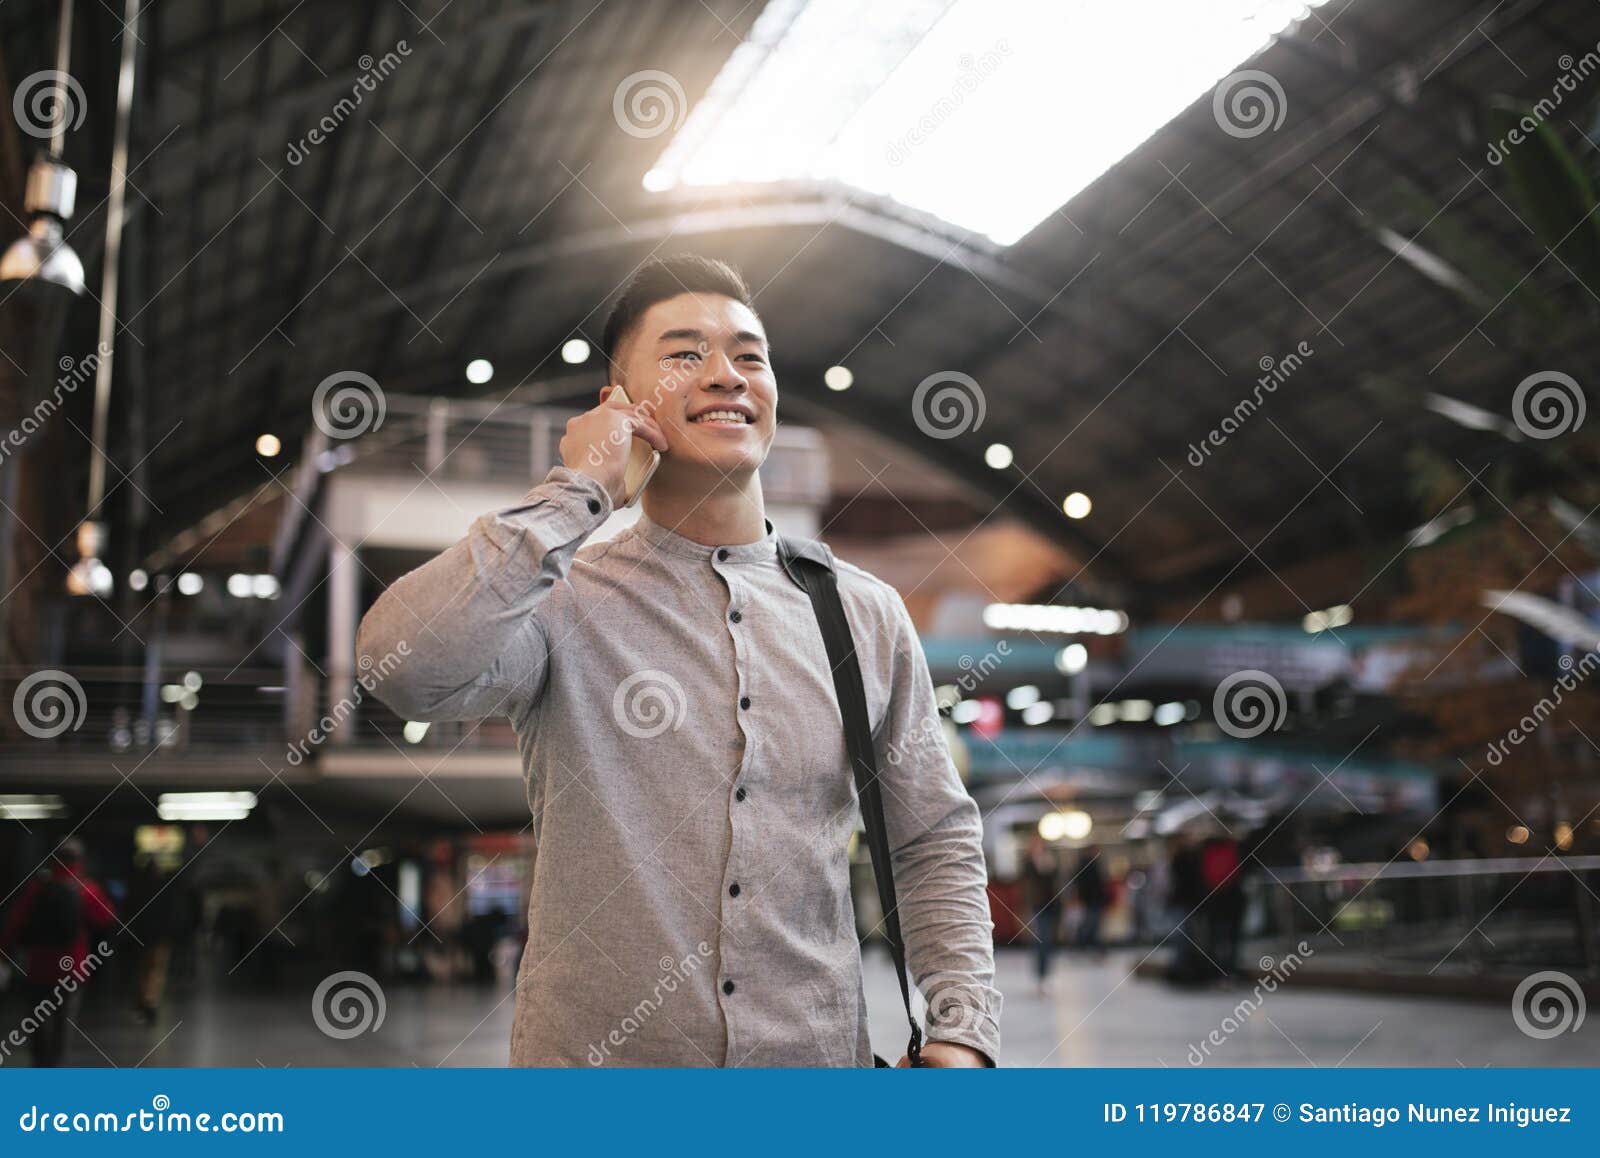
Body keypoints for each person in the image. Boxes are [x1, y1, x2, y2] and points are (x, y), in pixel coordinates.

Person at [359, 255, 999, 1067]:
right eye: (686, 353)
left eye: (750, 355)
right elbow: (400, 667)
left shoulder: (861, 613)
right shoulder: (558, 600)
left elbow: (931, 838)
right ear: (618, 406)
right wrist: (576, 493)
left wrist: (961, 1036)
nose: (727, 375)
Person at [0, 839, 117, 1066]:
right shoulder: (86, 888)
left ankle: (40, 1067)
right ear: (79, 860)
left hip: (37, 968)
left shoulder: (37, 888)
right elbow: (106, 918)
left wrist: (4, 953)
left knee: (37, 1024)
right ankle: (56, 1071)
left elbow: (14, 924)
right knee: (62, 1028)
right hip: (71, 970)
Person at [1020, 834, 1062, 992]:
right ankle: (1041, 976)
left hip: (1052, 907)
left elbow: (1056, 883)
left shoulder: (1051, 860)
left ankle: (1046, 974)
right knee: (1041, 940)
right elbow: (1025, 889)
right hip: (1036, 908)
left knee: (1048, 942)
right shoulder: (1028, 865)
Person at [1073, 844, 1109, 954]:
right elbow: (1086, 885)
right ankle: (1082, 946)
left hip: (1093, 900)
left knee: (1092, 925)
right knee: (1090, 925)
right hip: (1092, 901)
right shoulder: (1088, 865)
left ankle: (1087, 947)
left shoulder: (1090, 864)